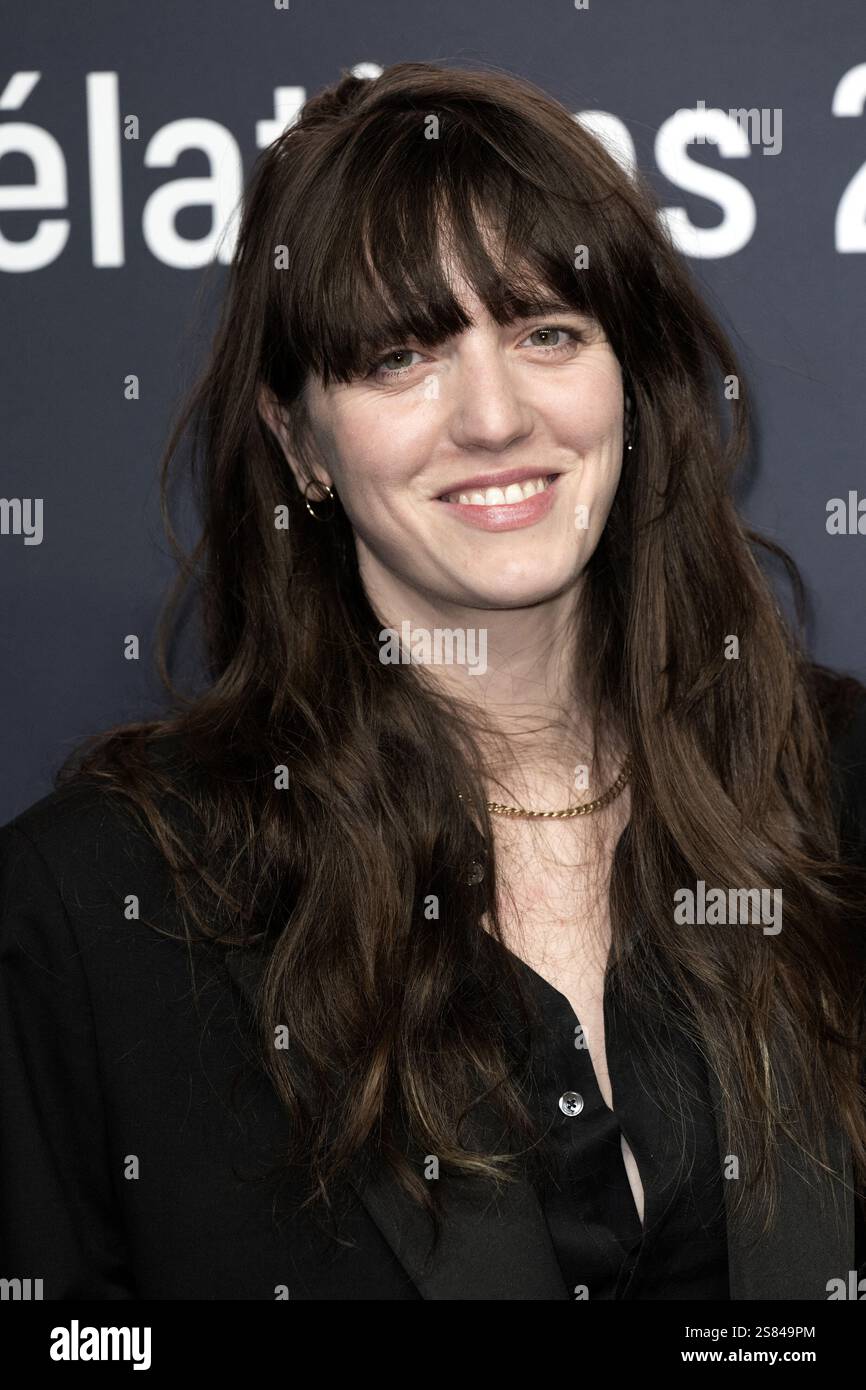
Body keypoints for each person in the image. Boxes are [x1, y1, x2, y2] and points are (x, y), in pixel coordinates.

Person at [1, 61, 865, 1302]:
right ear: (297, 438)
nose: (494, 416)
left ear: (633, 383)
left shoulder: (836, 792)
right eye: (401, 357)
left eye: (547, 332)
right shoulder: (105, 910)